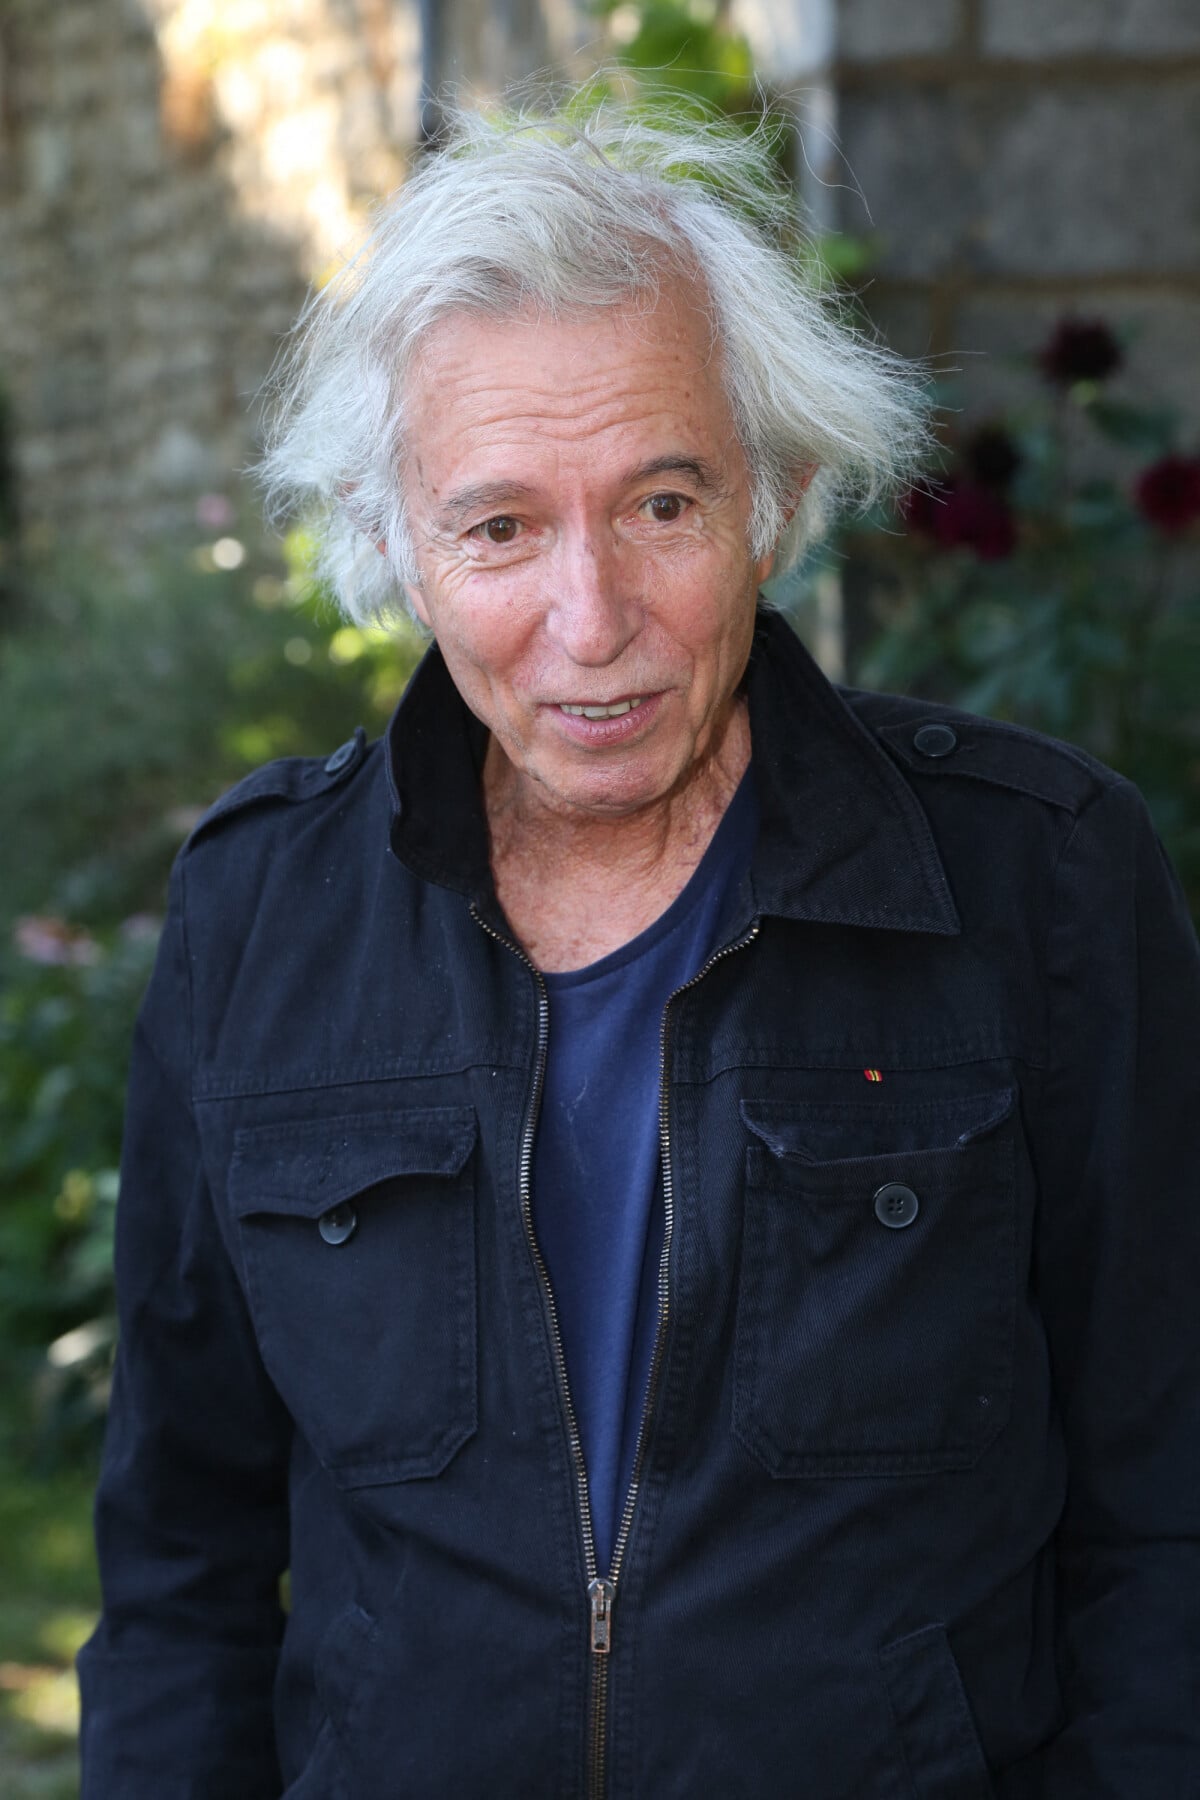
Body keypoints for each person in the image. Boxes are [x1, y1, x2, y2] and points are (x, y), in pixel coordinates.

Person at [78, 93, 1200, 1799]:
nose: (590, 624)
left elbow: (1168, 1514)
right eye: (501, 526)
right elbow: (180, 1564)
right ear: (396, 546)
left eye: (664, 503)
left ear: (780, 498)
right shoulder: (259, 916)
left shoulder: (1042, 885)